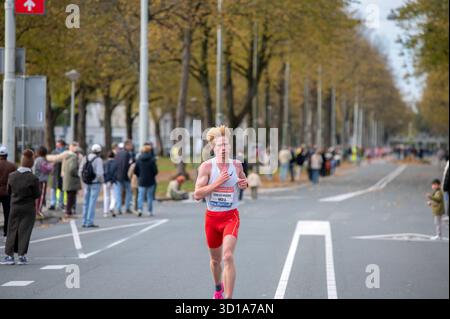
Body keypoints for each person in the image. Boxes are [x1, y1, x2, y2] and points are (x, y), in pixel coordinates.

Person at [194, 125, 248, 299]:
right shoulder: (206, 168)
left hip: (230, 216)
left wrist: (243, 184)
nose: (224, 148)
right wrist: (217, 183)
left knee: (228, 256)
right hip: (212, 218)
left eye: (226, 144)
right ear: (213, 148)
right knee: (215, 261)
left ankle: (229, 299)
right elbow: (197, 194)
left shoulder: (237, 165)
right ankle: (218, 288)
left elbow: (243, 180)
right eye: (220, 145)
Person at [0, 150, 41, 265]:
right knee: (25, 231)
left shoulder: (12, 176)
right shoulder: (33, 178)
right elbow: (37, 194)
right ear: (31, 163)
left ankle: (9, 256)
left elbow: (9, 191)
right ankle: (22, 256)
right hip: (28, 208)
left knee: (11, 230)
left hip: (15, 207)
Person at [47, 142, 82, 219]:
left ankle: (70, 210)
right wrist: (45, 157)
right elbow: (56, 158)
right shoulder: (68, 154)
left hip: (68, 178)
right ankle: (68, 211)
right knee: (70, 194)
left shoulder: (76, 155)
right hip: (69, 178)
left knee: (71, 195)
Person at [79, 144, 104, 228]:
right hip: (95, 183)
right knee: (92, 203)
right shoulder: (98, 160)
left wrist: (83, 180)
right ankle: (89, 221)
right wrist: (101, 182)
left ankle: (84, 221)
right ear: (99, 151)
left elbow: (80, 171)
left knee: (85, 202)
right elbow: (99, 173)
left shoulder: (85, 158)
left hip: (86, 183)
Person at [134, 145, 158, 217]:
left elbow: (135, 170)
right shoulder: (152, 160)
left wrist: (139, 175)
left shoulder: (139, 160)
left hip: (141, 180)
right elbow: (155, 171)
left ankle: (140, 209)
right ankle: (149, 211)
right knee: (149, 196)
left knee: (140, 196)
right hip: (150, 180)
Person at [0, 145, 17, 242]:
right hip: (7, 192)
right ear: (6, 155)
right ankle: (6, 234)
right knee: (8, 214)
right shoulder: (12, 166)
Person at [32, 146, 53, 219]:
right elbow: (46, 169)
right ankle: (38, 211)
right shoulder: (42, 160)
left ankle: (35, 210)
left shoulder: (36, 159)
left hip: (36, 179)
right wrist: (51, 166)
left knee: (37, 196)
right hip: (42, 180)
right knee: (41, 196)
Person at [114, 140, 134, 215]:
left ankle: (118, 208)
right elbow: (127, 166)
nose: (132, 147)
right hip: (125, 176)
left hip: (117, 176)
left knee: (118, 193)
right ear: (127, 145)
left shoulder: (118, 153)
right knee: (129, 191)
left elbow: (115, 164)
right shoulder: (128, 154)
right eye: (131, 145)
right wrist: (128, 176)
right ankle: (127, 207)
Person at [49, 140, 66, 211]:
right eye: (57, 145)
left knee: (62, 189)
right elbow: (50, 161)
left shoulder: (65, 152)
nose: (57, 146)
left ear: (62, 145)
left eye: (58, 145)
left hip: (62, 174)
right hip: (54, 173)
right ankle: (52, 204)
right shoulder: (53, 152)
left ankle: (61, 203)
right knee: (53, 189)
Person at [103, 151, 118, 218]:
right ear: (114, 156)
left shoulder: (104, 163)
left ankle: (105, 212)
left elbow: (103, 172)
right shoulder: (115, 163)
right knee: (114, 197)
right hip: (112, 181)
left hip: (105, 181)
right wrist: (112, 180)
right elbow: (115, 173)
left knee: (106, 197)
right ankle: (111, 207)